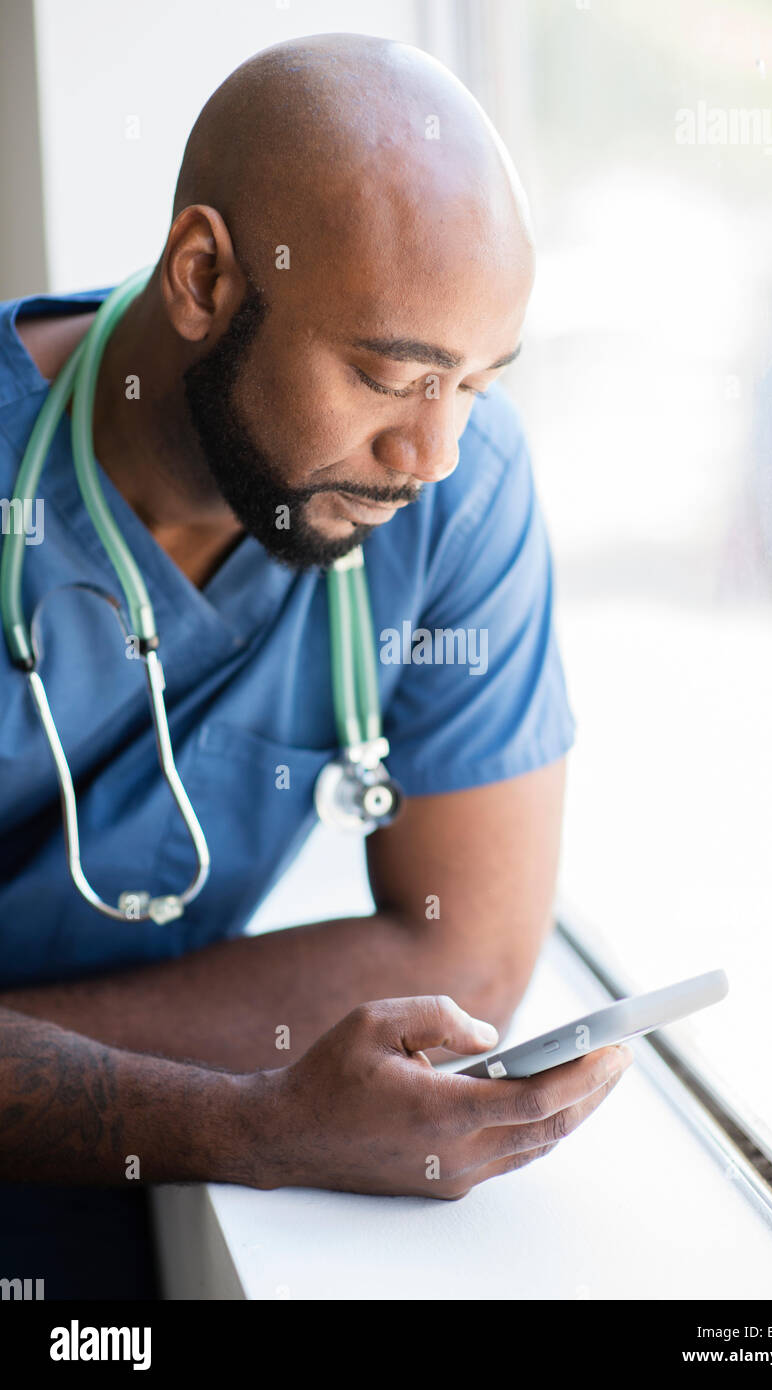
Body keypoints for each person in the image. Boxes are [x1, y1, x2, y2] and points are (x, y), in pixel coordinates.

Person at [0, 33, 631, 1299]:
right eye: (391, 374)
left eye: (478, 381)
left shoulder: (459, 495)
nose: (435, 452)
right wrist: (251, 1120)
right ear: (204, 277)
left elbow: (462, 953)